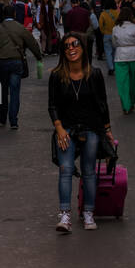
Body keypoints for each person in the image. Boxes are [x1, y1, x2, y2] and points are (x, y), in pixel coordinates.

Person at [49, 33, 114, 233]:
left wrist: (107, 130)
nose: (71, 48)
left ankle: (88, 212)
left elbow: (102, 104)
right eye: (67, 46)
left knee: (88, 172)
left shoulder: (94, 74)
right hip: (66, 127)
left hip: (91, 128)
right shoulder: (57, 75)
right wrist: (59, 129)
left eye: (75, 44)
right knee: (65, 168)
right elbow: (52, 106)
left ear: (83, 48)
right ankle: (65, 214)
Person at [0, 5, 42, 129]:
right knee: (15, 92)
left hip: (2, 63)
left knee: (3, 90)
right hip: (16, 62)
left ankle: (2, 117)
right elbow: (32, 42)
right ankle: (13, 121)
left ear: (3, 15)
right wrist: (38, 56)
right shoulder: (20, 27)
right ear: (14, 14)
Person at [111, 5, 135, 115]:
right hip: (134, 56)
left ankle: (126, 104)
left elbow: (114, 43)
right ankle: (131, 101)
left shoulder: (115, 28)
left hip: (120, 56)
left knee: (122, 82)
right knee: (132, 81)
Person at [98, 0, 118, 74]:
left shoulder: (103, 14)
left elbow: (100, 25)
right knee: (115, 51)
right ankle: (114, 65)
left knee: (108, 52)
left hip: (106, 34)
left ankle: (110, 68)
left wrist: (103, 31)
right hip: (116, 34)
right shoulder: (117, 13)